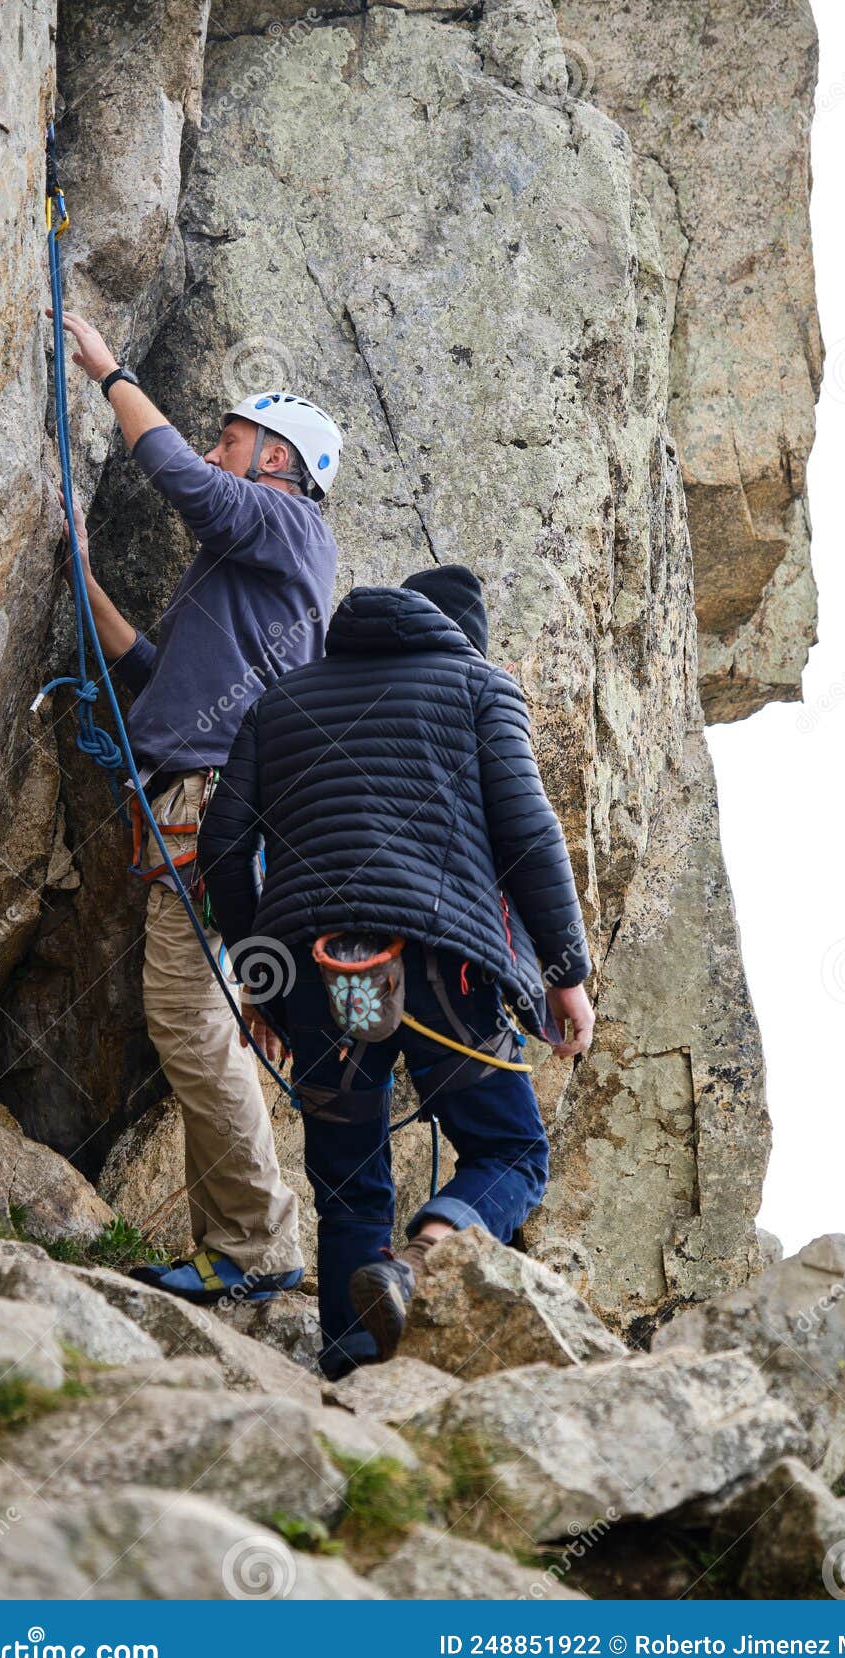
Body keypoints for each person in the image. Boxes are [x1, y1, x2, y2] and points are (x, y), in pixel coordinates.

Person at [197, 565, 595, 1377]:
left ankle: (347, 1364)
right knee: (513, 1152)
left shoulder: (282, 699)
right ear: (463, 636)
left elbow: (223, 848)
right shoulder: (480, 686)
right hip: (435, 964)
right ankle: (420, 1259)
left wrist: (264, 979)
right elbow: (527, 830)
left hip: (314, 974)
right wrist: (565, 973)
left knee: (348, 1182)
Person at [50, 307, 342, 1304]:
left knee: (190, 1021)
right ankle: (240, 1246)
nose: (216, 450)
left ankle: (256, 1249)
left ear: (279, 461)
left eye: (231, 438)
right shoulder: (245, 571)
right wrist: (83, 577)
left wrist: (108, 370)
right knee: (193, 1020)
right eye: (217, 436)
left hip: (216, 801)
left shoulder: (292, 523)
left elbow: (182, 478)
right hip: (197, 793)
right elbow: (154, 670)